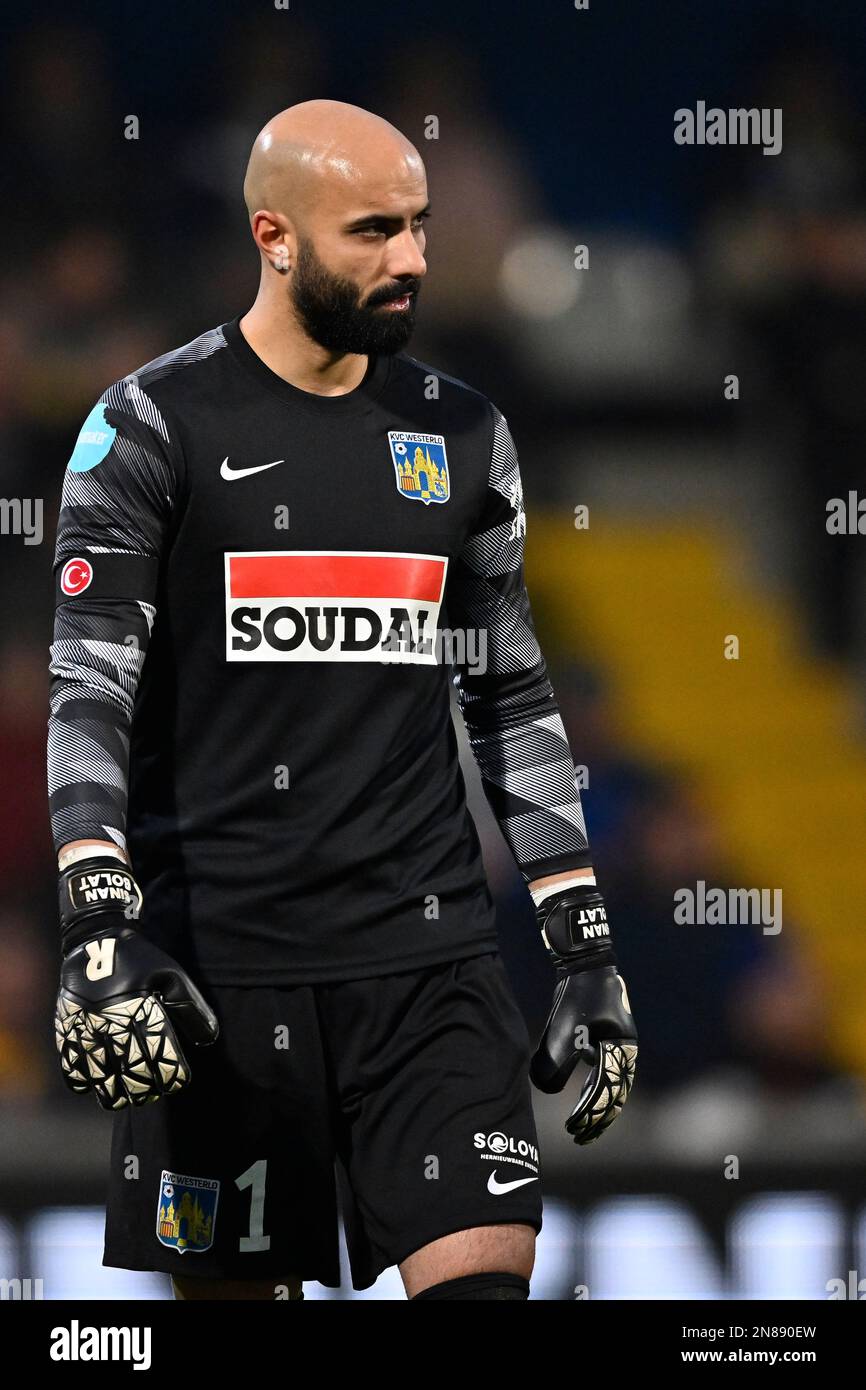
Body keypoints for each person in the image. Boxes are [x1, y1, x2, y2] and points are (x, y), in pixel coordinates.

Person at [47, 100, 637, 1301]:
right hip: (219, 983)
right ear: (274, 235)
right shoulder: (149, 426)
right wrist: (96, 911)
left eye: (418, 226)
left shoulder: (464, 435)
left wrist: (582, 946)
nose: (412, 257)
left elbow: (509, 692)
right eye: (373, 230)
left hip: (429, 972)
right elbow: (89, 681)